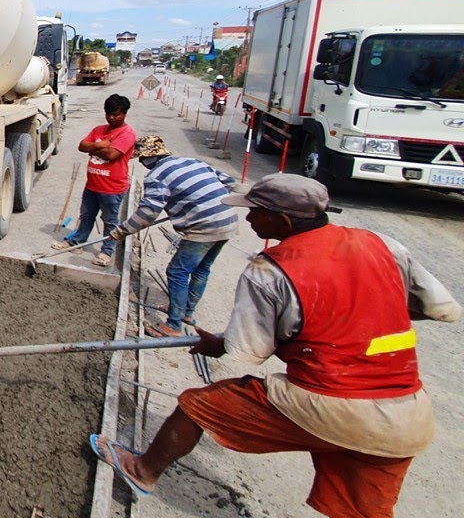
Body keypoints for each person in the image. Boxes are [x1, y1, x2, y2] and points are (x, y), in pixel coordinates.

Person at [90, 173, 461, 518]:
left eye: (255, 213)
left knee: (196, 406)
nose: (249, 221)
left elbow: (245, 353)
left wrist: (221, 344)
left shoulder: (271, 269)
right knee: (360, 510)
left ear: (283, 222)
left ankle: (141, 469)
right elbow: (442, 309)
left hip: (328, 400)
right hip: (406, 417)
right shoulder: (382, 244)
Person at [109, 136, 240, 336]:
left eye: (142, 159)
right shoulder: (192, 161)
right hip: (228, 220)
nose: (143, 164)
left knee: (177, 272)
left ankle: (174, 325)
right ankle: (187, 312)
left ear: (148, 157)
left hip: (203, 227)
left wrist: (121, 230)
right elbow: (230, 183)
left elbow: (148, 213)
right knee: (202, 268)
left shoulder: (156, 175)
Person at [51, 94, 136, 267]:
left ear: (124, 114)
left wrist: (94, 149)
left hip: (112, 188)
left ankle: (106, 251)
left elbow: (112, 155)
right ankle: (77, 242)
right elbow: (82, 146)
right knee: (86, 216)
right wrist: (99, 145)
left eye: (116, 114)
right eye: (108, 113)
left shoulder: (127, 134)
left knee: (110, 221)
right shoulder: (99, 130)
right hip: (92, 185)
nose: (111, 117)